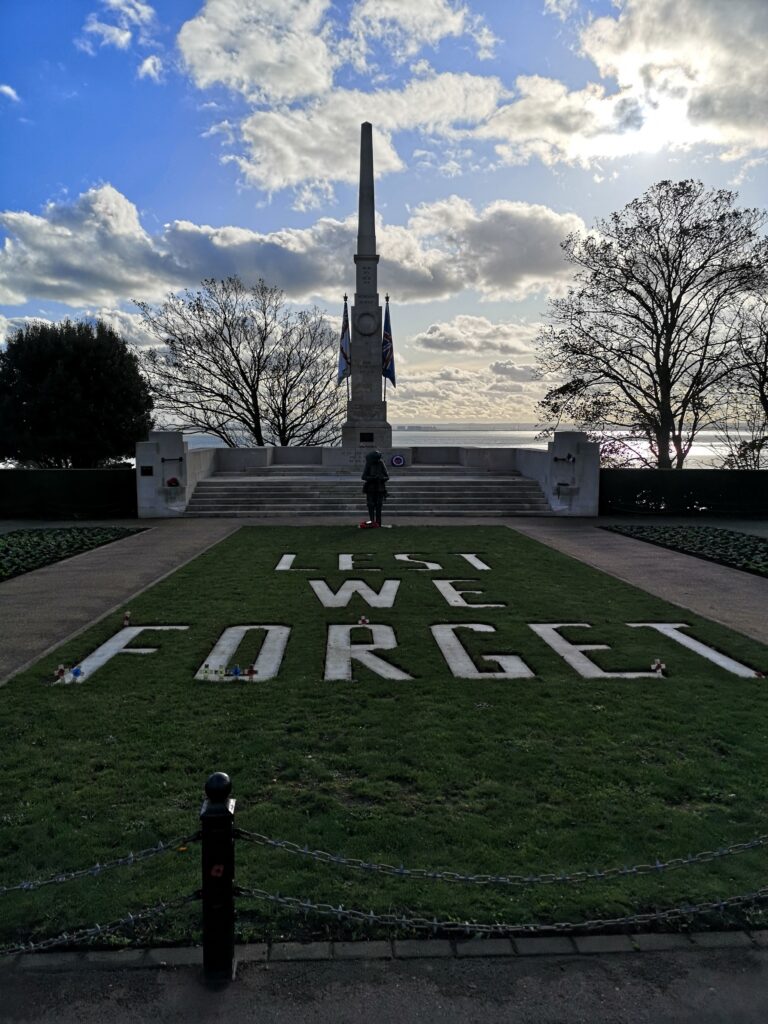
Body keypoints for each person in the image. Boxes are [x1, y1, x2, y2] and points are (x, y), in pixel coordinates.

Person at [361, 450, 389, 527]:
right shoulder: (368, 464)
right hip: (370, 487)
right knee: (370, 505)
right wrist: (372, 478)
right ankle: (372, 522)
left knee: (379, 505)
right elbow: (363, 476)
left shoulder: (381, 463)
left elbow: (387, 476)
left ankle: (378, 522)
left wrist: (382, 478)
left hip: (380, 487)